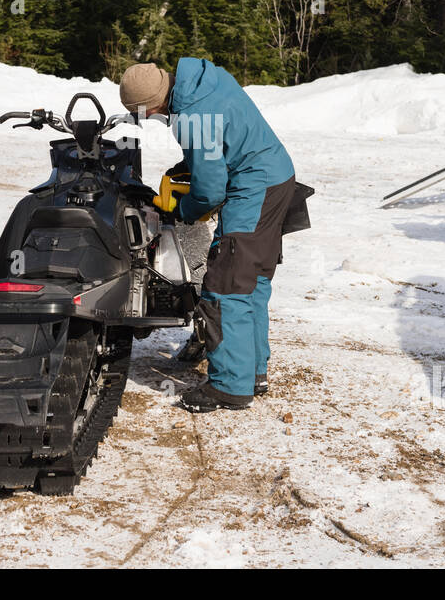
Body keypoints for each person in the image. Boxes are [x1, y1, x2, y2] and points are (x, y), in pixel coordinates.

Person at [119, 58, 307, 413]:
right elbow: (224, 134)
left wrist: (182, 212)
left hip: (255, 187)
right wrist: (191, 165)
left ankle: (229, 387)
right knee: (252, 281)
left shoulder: (192, 118)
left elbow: (209, 192)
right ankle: (253, 372)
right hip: (276, 176)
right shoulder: (205, 81)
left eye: (141, 114)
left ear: (149, 106)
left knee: (225, 284)